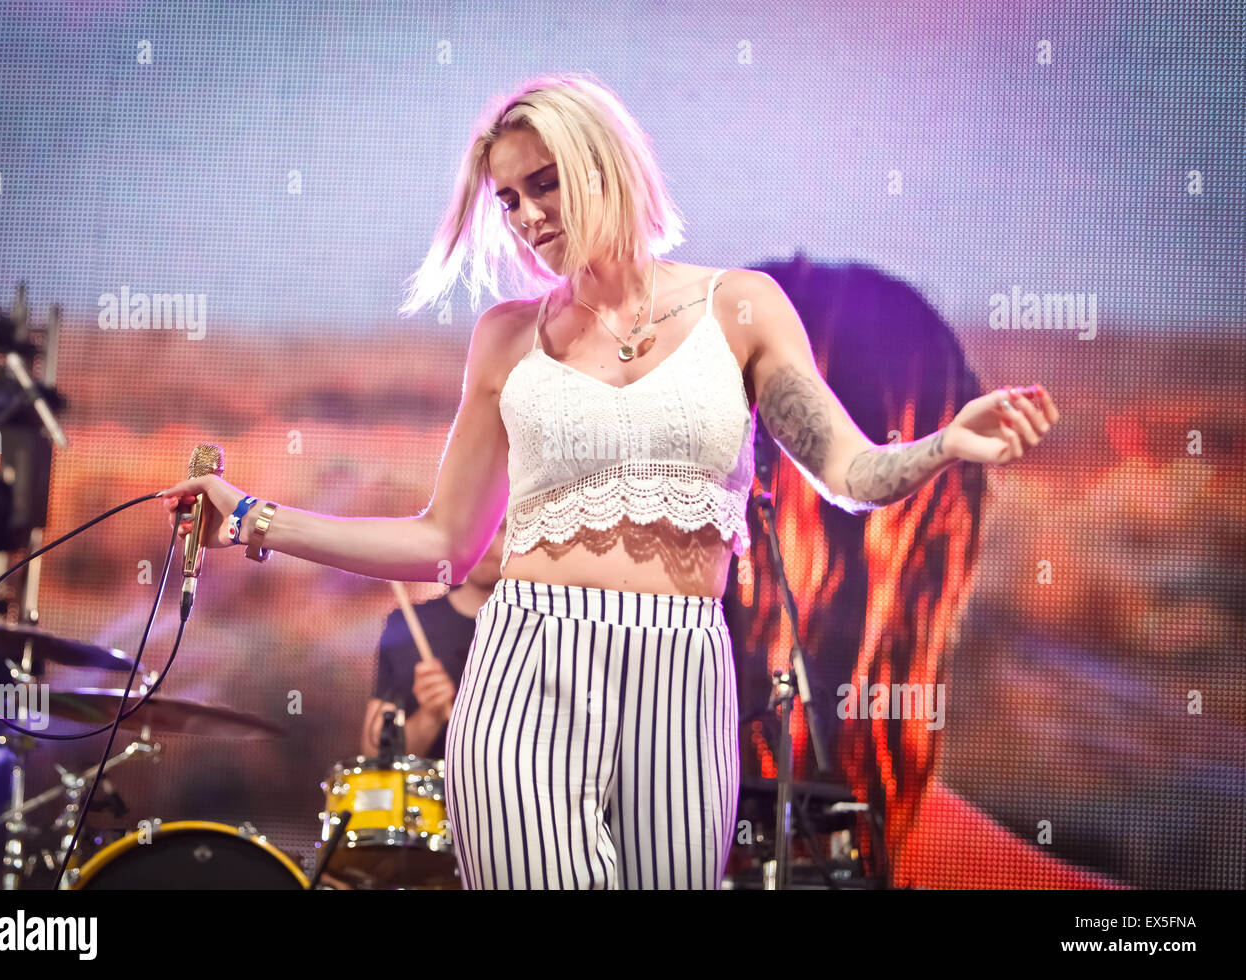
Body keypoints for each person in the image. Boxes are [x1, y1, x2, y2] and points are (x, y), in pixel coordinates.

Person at [160, 71, 1059, 890]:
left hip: (680, 675)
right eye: (507, 201)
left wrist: (944, 444)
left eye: (543, 184)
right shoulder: (506, 338)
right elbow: (442, 542)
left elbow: (852, 475)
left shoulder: (739, 307)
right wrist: (253, 518)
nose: (526, 218)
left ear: (606, 164)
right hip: (526, 672)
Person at [362, 525, 505, 760]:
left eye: (500, 529)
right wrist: (430, 716)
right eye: (479, 527)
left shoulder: (542, 627)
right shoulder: (408, 624)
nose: (487, 540)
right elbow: (375, 755)